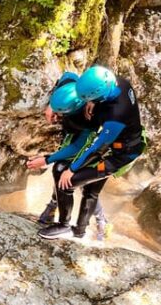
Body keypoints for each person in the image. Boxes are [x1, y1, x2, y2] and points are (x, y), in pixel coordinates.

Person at [38, 65, 145, 240]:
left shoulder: (116, 115)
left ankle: (70, 227)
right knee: (83, 183)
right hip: (118, 143)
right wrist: (90, 100)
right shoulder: (118, 82)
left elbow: (97, 148)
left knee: (70, 181)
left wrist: (72, 169)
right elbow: (70, 77)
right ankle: (90, 225)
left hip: (120, 155)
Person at [27, 73, 109, 240]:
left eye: (62, 114)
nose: (58, 117)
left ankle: (102, 220)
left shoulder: (91, 118)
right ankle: (53, 205)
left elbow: (78, 146)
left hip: (94, 145)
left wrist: (47, 159)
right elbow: (68, 75)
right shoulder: (74, 88)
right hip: (73, 136)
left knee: (81, 183)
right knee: (59, 173)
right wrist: (52, 105)